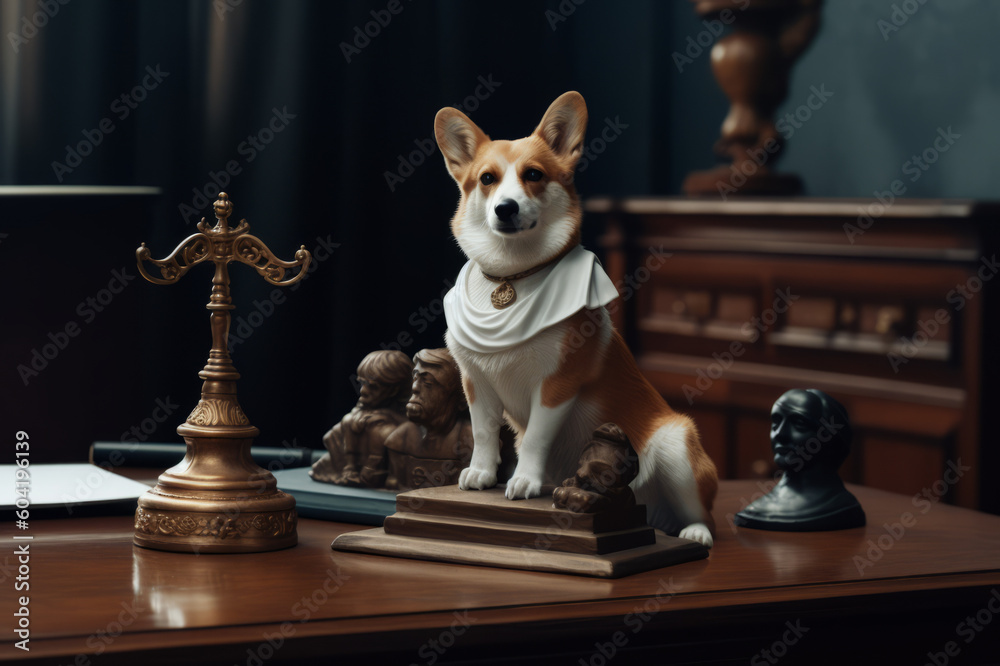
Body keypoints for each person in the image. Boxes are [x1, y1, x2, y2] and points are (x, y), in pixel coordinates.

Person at [734, 388, 865, 531]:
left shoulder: (839, 504)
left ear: (829, 438)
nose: (780, 434)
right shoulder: (758, 508)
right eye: (776, 422)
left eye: (799, 424)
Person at [310, 350, 413, 487]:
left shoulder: (406, 420)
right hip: (349, 454)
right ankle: (350, 468)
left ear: (394, 390)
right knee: (348, 421)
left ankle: (369, 470)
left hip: (380, 463)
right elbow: (331, 436)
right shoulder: (364, 409)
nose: (363, 391)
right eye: (362, 383)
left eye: (372, 387)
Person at [384, 348, 473, 490]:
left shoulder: (470, 441)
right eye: (415, 379)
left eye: (428, 383)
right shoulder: (401, 439)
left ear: (462, 398)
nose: (415, 388)